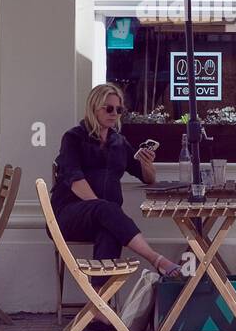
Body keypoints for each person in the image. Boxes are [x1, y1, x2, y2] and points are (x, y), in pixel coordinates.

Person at [51, 83, 183, 282]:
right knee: (108, 212)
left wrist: (147, 163)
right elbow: (74, 180)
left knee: (110, 229)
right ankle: (156, 259)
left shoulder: (118, 142)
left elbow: (147, 178)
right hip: (69, 215)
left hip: (105, 217)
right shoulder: (73, 138)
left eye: (119, 110)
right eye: (109, 108)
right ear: (94, 108)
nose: (114, 113)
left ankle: (99, 305)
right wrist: (99, 208)